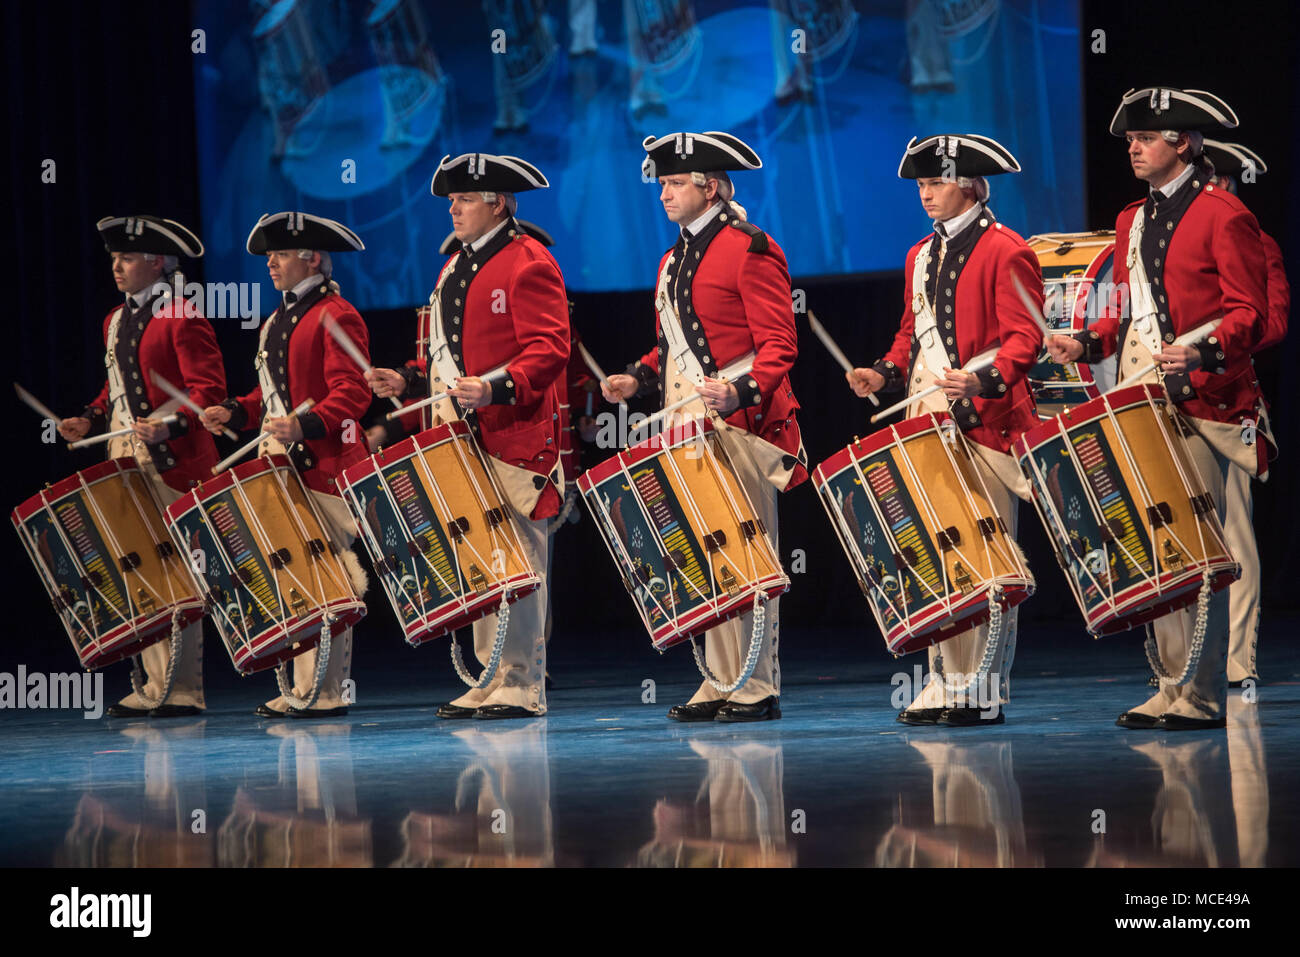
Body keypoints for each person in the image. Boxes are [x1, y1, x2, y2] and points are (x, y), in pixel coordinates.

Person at [1047, 88, 1270, 730]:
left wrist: (1203, 355)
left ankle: (1201, 696)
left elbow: (1248, 315)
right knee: (1157, 545)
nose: (1134, 148)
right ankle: (1171, 685)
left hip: (1203, 399)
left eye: (1146, 137)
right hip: (1139, 394)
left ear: (1184, 143)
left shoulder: (1223, 214)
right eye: (1130, 140)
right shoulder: (1128, 220)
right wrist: (1086, 340)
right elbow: (1122, 308)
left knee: (1200, 548)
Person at [602, 131, 807, 722]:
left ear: (710, 186)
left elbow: (779, 345)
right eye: (661, 183)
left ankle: (757, 683)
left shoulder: (751, 248)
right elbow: (674, 347)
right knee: (706, 554)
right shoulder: (673, 259)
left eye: (673, 183)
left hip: (741, 425)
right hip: (684, 424)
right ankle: (719, 678)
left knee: (747, 552)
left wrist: (738, 390)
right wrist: (635, 380)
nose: (662, 193)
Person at [847, 134, 1043, 727]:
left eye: (936, 182)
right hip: (923, 420)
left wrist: (981, 381)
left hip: (985, 421)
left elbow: (1025, 341)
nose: (926, 193)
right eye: (922, 185)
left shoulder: (1006, 250)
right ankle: (942, 680)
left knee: (985, 554)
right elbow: (912, 336)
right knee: (938, 554)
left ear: (971, 185)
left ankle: (982, 689)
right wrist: (881, 374)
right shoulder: (918, 256)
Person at [367, 152, 570, 719]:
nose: (452, 208)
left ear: (499, 203)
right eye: (452, 200)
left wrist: (496, 388)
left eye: (464, 198)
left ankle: (523, 683)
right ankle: (491, 676)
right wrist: (406, 379)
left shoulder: (530, 261)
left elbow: (550, 350)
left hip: (515, 434)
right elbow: (444, 357)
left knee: (522, 559)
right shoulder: (454, 267)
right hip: (460, 437)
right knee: (481, 559)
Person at [200, 212, 372, 718]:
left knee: (325, 578)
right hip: (279, 465)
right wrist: (236, 409)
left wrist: (308, 425)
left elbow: (353, 391)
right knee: (292, 577)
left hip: (323, 464)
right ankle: (302, 685)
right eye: (269, 256)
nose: (270, 263)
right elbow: (271, 394)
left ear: (312, 258)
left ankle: (326, 690)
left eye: (279, 254)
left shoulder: (338, 315)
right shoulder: (277, 319)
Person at [59, 215, 225, 719]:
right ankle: (153, 683)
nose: (116, 266)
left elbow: (207, 393)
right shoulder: (114, 320)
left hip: (174, 463)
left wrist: (168, 424)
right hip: (125, 461)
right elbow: (117, 389)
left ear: (157, 262)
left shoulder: (183, 315)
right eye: (114, 258)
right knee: (141, 572)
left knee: (178, 574)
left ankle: (183, 689)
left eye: (127, 257)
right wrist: (88, 419)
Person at [1200, 139, 1289, 688]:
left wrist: (1207, 341)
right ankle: (1189, 665)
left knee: (1233, 532)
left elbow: (1270, 324)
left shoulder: (1252, 238)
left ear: (1225, 185)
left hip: (1227, 400)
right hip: (1168, 398)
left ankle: (1236, 662)